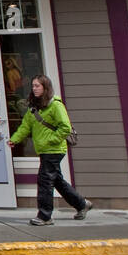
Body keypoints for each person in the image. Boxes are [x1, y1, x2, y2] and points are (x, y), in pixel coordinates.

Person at [8, 75, 90, 226]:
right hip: (44, 150)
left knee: (45, 180)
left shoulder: (55, 105)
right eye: (33, 85)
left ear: (46, 87)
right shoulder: (34, 107)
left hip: (54, 149)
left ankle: (45, 216)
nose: (34, 88)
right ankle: (81, 204)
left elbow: (65, 127)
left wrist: (49, 140)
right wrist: (14, 139)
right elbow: (26, 126)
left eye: (38, 86)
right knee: (56, 180)